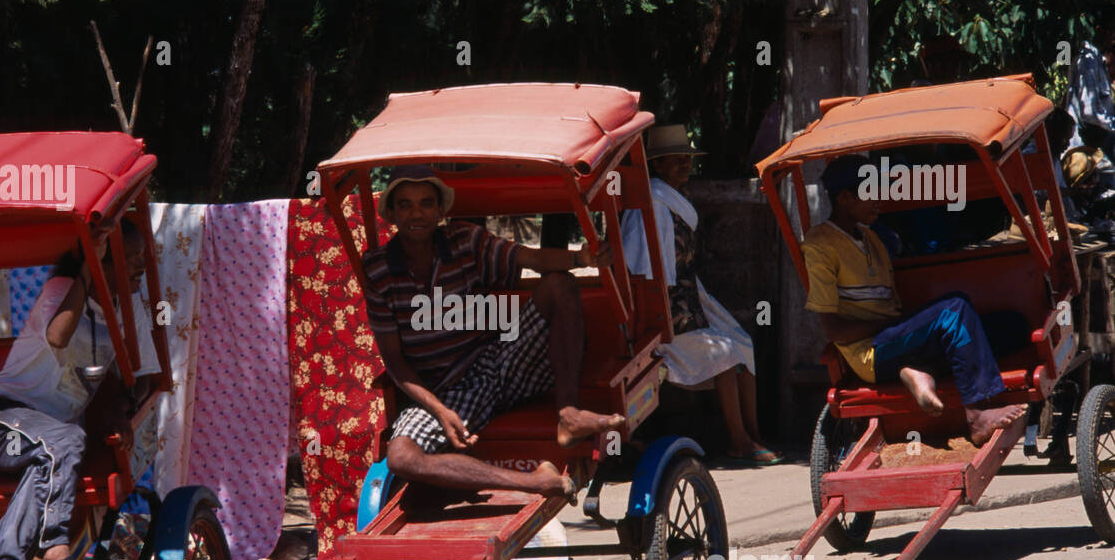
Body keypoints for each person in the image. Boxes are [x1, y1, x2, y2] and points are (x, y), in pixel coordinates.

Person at [363, 164, 625, 499]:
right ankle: (533, 482)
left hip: (498, 362)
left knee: (559, 285)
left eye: (426, 203)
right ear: (391, 214)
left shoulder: (463, 240)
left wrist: (579, 259)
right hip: (445, 392)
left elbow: (528, 257)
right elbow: (395, 363)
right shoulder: (378, 268)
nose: (417, 213)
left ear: (440, 210)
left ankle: (569, 415)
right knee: (400, 457)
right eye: (405, 204)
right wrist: (442, 412)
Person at [0, 219, 160, 560]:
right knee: (64, 440)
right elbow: (57, 337)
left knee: (52, 453)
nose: (139, 266)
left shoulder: (129, 307)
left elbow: (145, 377)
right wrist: (89, 264)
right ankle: (55, 554)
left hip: (48, 441)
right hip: (2, 421)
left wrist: (124, 409)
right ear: (100, 260)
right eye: (127, 257)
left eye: (140, 257)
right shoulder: (62, 290)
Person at [804, 155, 1027, 446]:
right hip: (870, 353)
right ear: (845, 197)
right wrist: (891, 324)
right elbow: (834, 331)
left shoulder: (872, 239)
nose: (879, 200)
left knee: (1012, 326)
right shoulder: (820, 244)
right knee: (955, 309)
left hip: (894, 336)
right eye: (870, 192)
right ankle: (977, 415)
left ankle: (919, 370)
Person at [621, 125, 781, 464]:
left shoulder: (672, 200)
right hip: (664, 313)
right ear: (658, 165)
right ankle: (737, 439)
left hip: (689, 303)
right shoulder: (652, 203)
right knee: (723, 353)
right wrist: (661, 312)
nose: (683, 164)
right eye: (673, 159)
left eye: (686, 158)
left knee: (743, 343)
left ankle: (753, 433)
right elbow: (647, 269)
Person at [1063, 9, 1115, 158]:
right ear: (1099, 30)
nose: (1113, 36)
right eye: (1111, 30)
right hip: (1085, 148)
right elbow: (1089, 112)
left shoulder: (1098, 61)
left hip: (1097, 144)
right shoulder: (1088, 61)